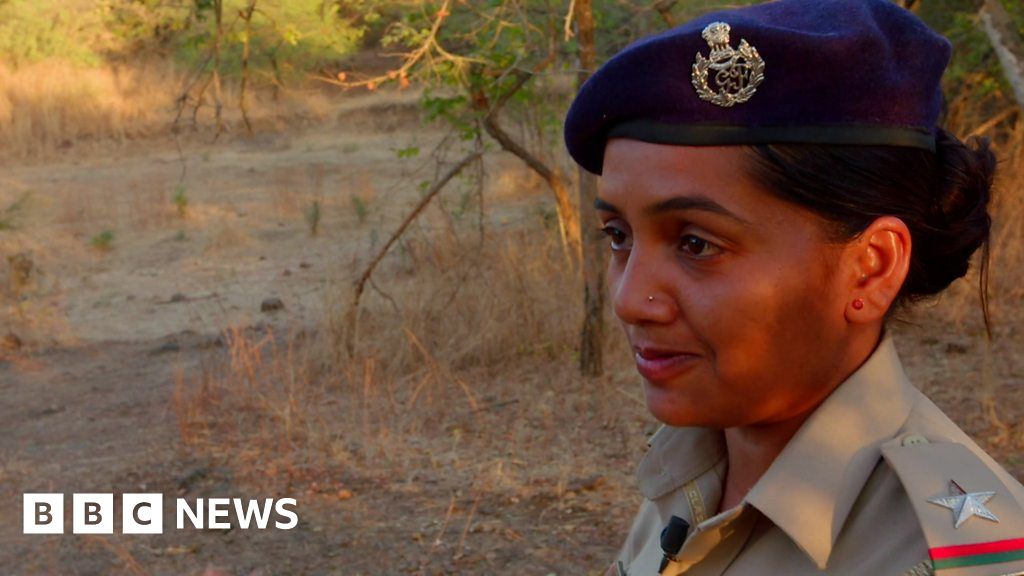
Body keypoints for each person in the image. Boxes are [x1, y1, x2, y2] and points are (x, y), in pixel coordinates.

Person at [563, 1, 1024, 575]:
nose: (630, 300)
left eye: (697, 244)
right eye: (618, 236)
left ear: (872, 268)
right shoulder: (694, 467)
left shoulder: (957, 559)